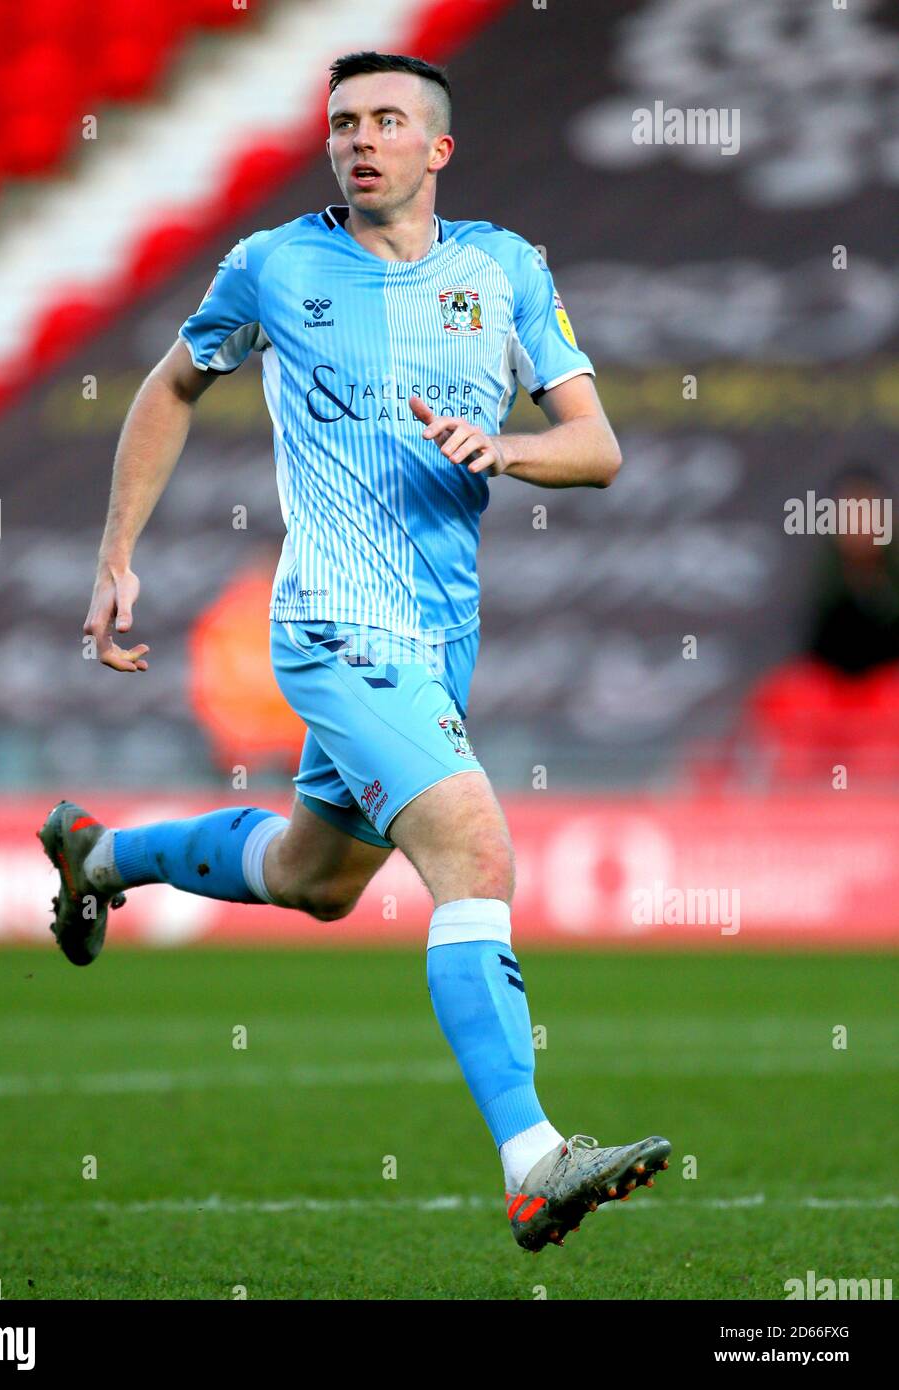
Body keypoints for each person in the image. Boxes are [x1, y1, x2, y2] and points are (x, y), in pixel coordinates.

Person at [39, 51, 669, 1253]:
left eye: (386, 121)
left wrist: (501, 449)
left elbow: (595, 449)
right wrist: (117, 553)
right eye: (341, 123)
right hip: (330, 618)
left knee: (312, 880)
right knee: (474, 853)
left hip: (438, 635)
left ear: (437, 150)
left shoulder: (505, 270)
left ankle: (99, 853)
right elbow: (172, 386)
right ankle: (536, 1159)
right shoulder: (270, 266)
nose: (358, 139)